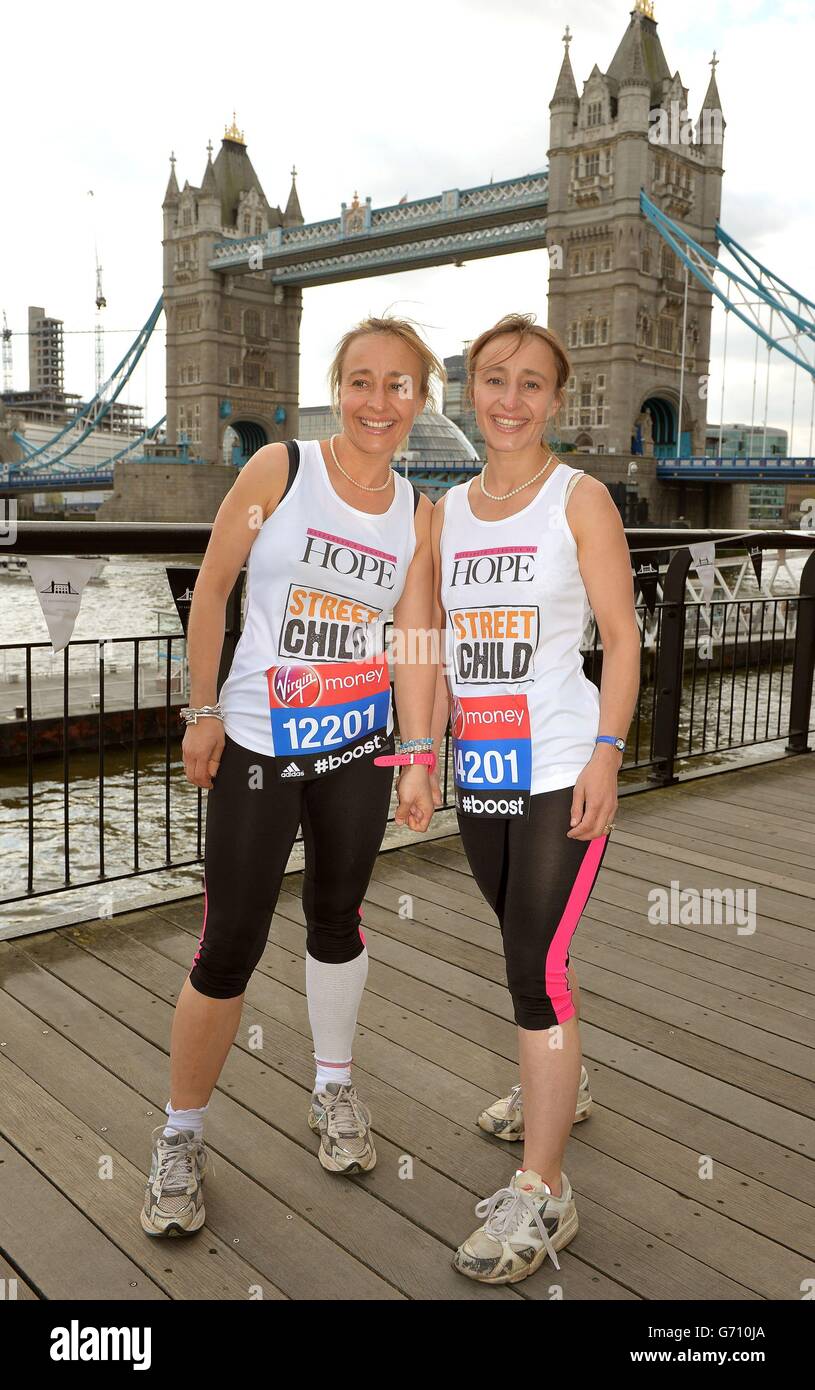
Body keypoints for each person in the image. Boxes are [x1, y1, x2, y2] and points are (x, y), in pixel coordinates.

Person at [142, 315, 441, 1237]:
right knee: (228, 941)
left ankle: (333, 1091)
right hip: (261, 745)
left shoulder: (418, 514)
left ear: (421, 401)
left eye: (397, 385)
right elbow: (216, 585)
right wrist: (202, 710)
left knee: (338, 922)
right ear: (336, 388)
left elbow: (416, 642)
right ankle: (181, 1136)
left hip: (355, 748)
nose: (377, 401)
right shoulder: (280, 470)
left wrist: (419, 753)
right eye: (360, 380)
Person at [430, 312, 640, 1284]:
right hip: (483, 770)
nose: (508, 398)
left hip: (560, 761)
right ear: (467, 389)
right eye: (491, 378)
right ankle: (560, 1077)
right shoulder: (446, 512)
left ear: (554, 399)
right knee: (531, 949)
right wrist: (417, 752)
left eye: (528, 382)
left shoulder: (579, 499)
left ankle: (542, 1188)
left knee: (534, 964)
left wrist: (606, 751)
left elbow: (621, 637)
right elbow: (426, 643)